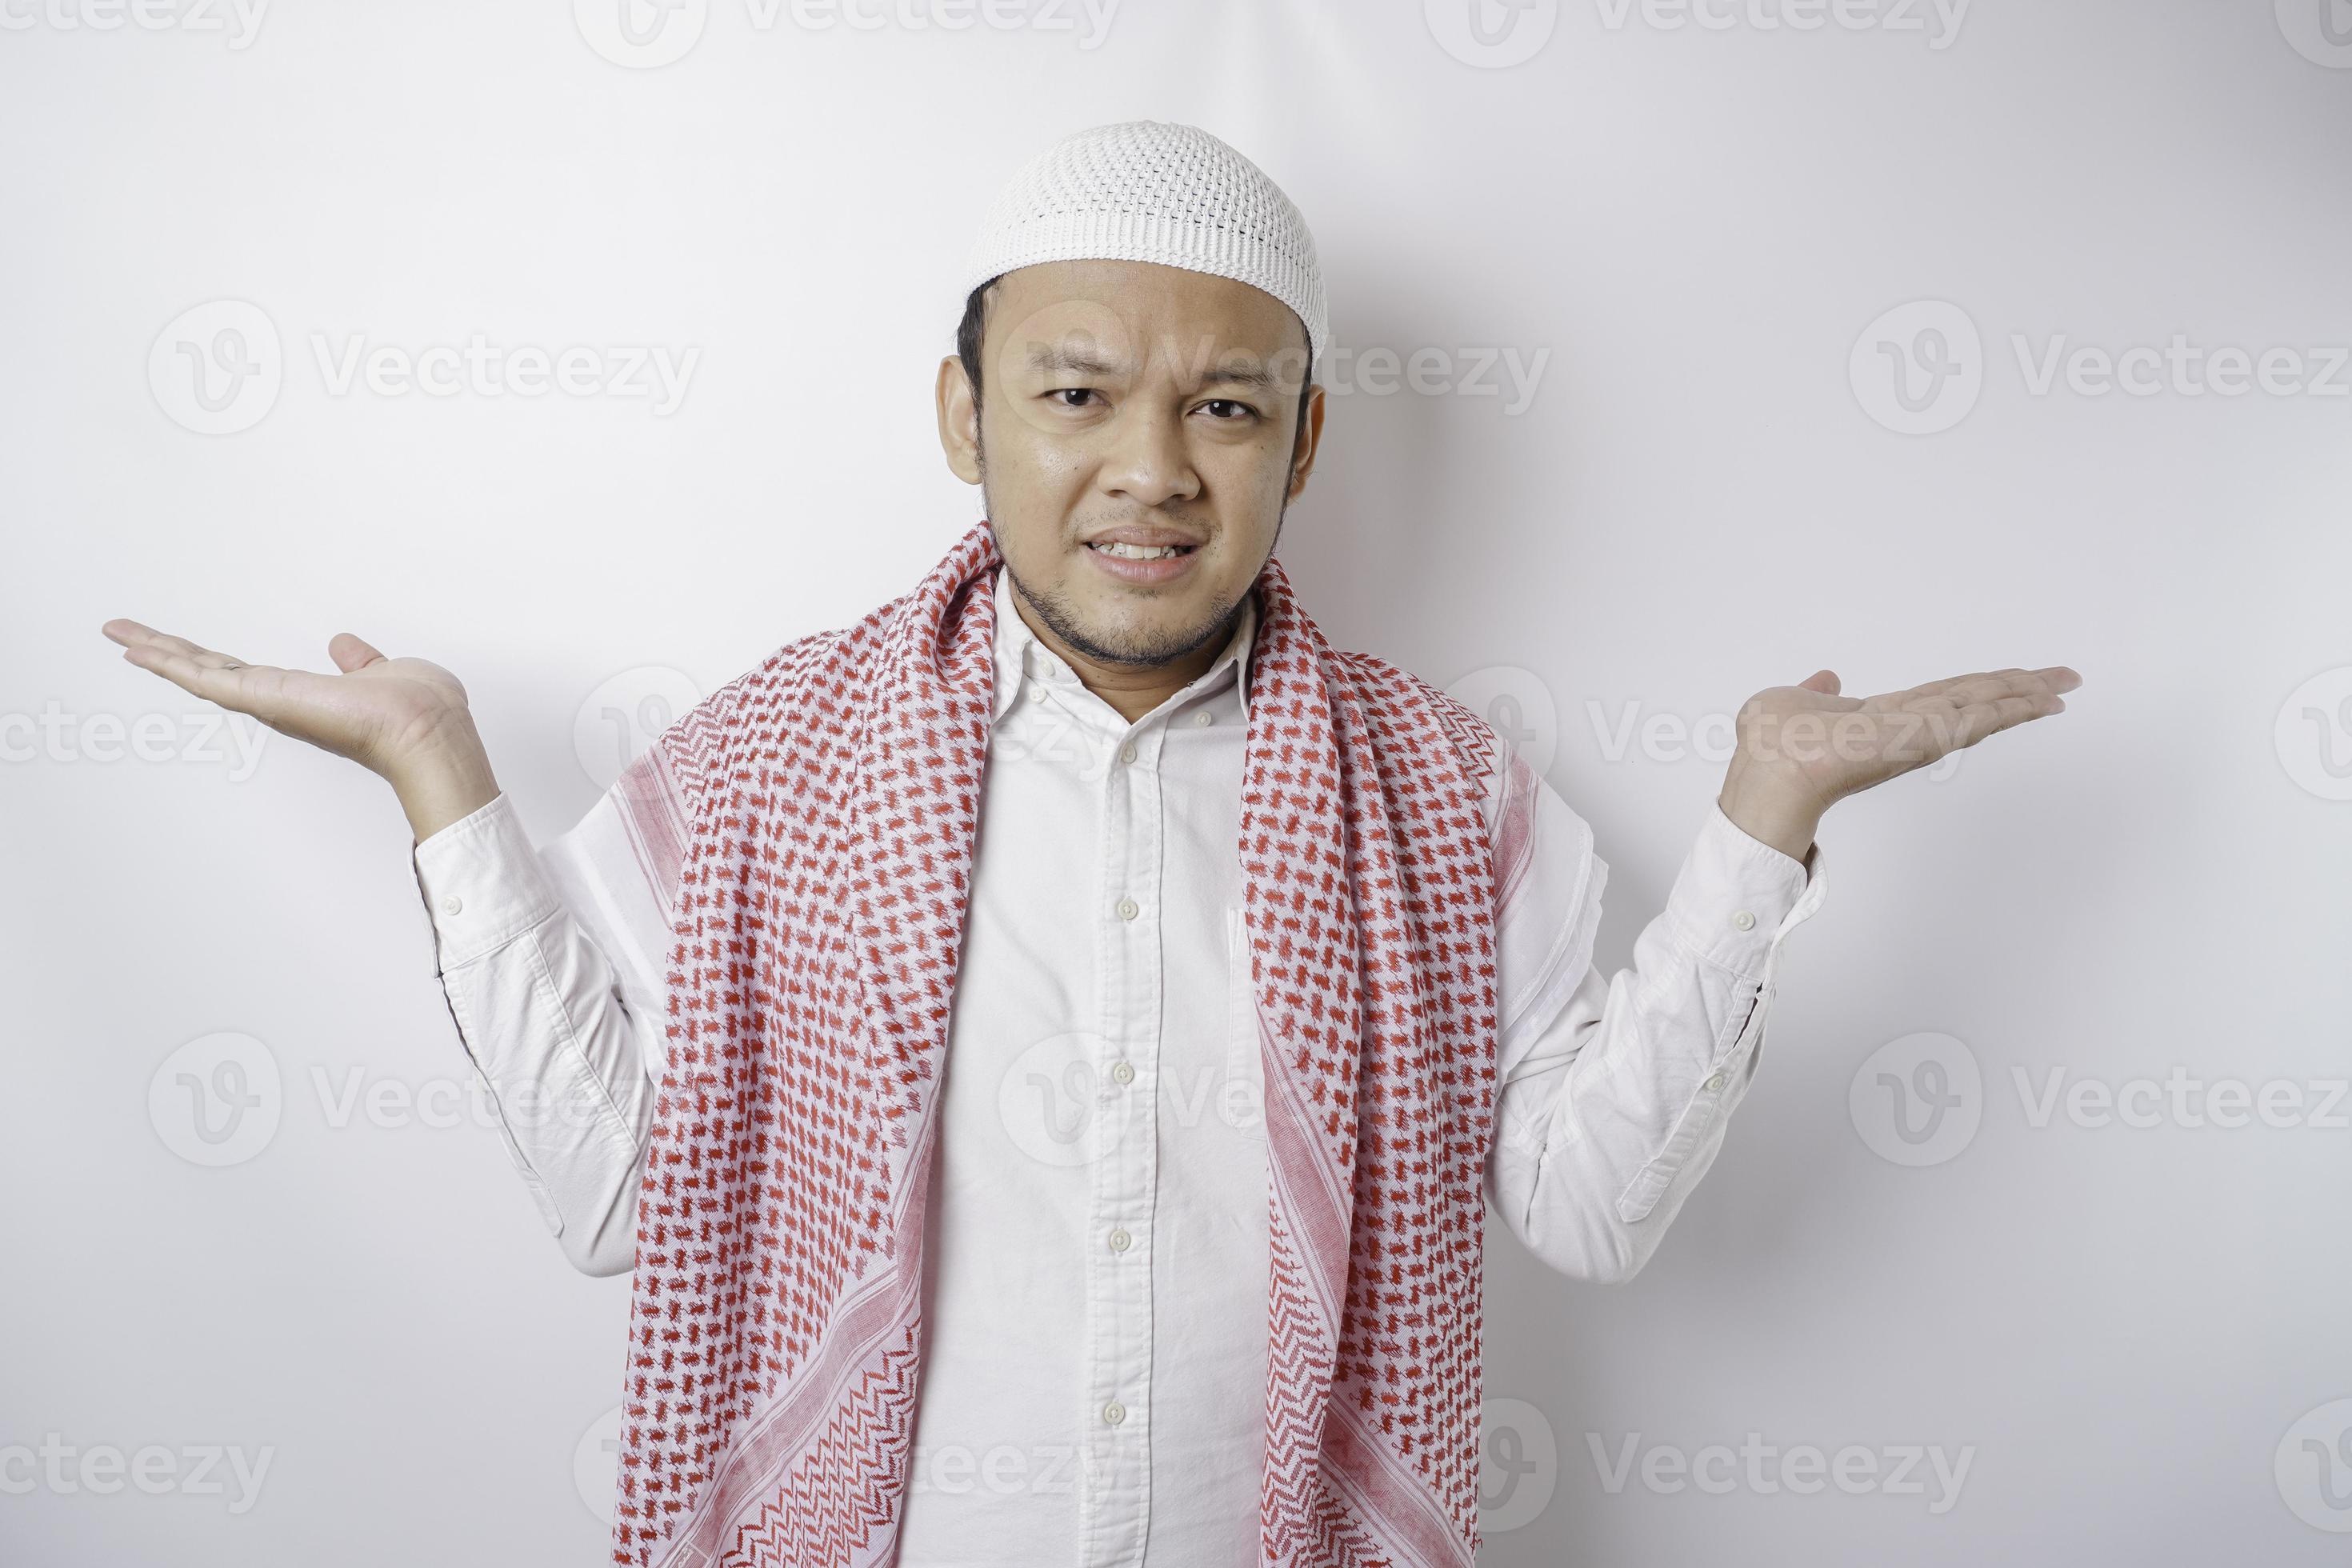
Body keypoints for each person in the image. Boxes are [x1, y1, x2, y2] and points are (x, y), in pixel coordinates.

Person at [101, 120, 2078, 1568]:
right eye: (1076, 394)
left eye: (1226, 405)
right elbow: (629, 1191)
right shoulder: (782, 763)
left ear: (1302, 444)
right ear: (965, 416)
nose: (1151, 467)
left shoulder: (1440, 797)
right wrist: (445, 781)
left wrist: (1763, 823)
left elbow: (1589, 1210)